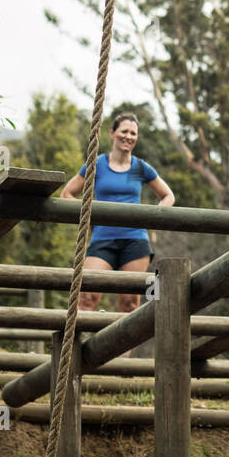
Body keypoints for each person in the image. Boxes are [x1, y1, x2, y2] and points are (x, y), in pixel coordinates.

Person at [60, 112, 175, 313]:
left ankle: (124, 346)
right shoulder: (97, 165)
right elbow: (66, 194)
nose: (128, 136)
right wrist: (90, 215)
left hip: (135, 241)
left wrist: (153, 217)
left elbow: (168, 196)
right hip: (102, 240)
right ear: (113, 134)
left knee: (130, 303)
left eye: (133, 133)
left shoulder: (141, 168)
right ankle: (80, 343)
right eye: (124, 131)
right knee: (86, 297)